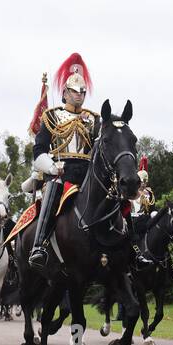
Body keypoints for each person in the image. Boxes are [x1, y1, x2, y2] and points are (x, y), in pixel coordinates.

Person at [26, 53, 100, 271]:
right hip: (61, 171)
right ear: (65, 93)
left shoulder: (94, 118)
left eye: (83, 92)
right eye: (75, 92)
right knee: (54, 189)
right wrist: (51, 167)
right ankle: (39, 245)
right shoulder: (51, 116)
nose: (80, 95)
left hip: (87, 172)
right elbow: (38, 150)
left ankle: (129, 245)